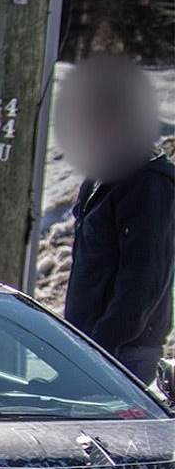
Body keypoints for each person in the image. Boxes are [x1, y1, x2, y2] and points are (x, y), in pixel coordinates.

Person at [57, 55, 175, 382]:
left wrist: (104, 341)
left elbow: (145, 275)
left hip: (122, 351)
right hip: (90, 344)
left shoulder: (147, 181)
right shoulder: (100, 175)